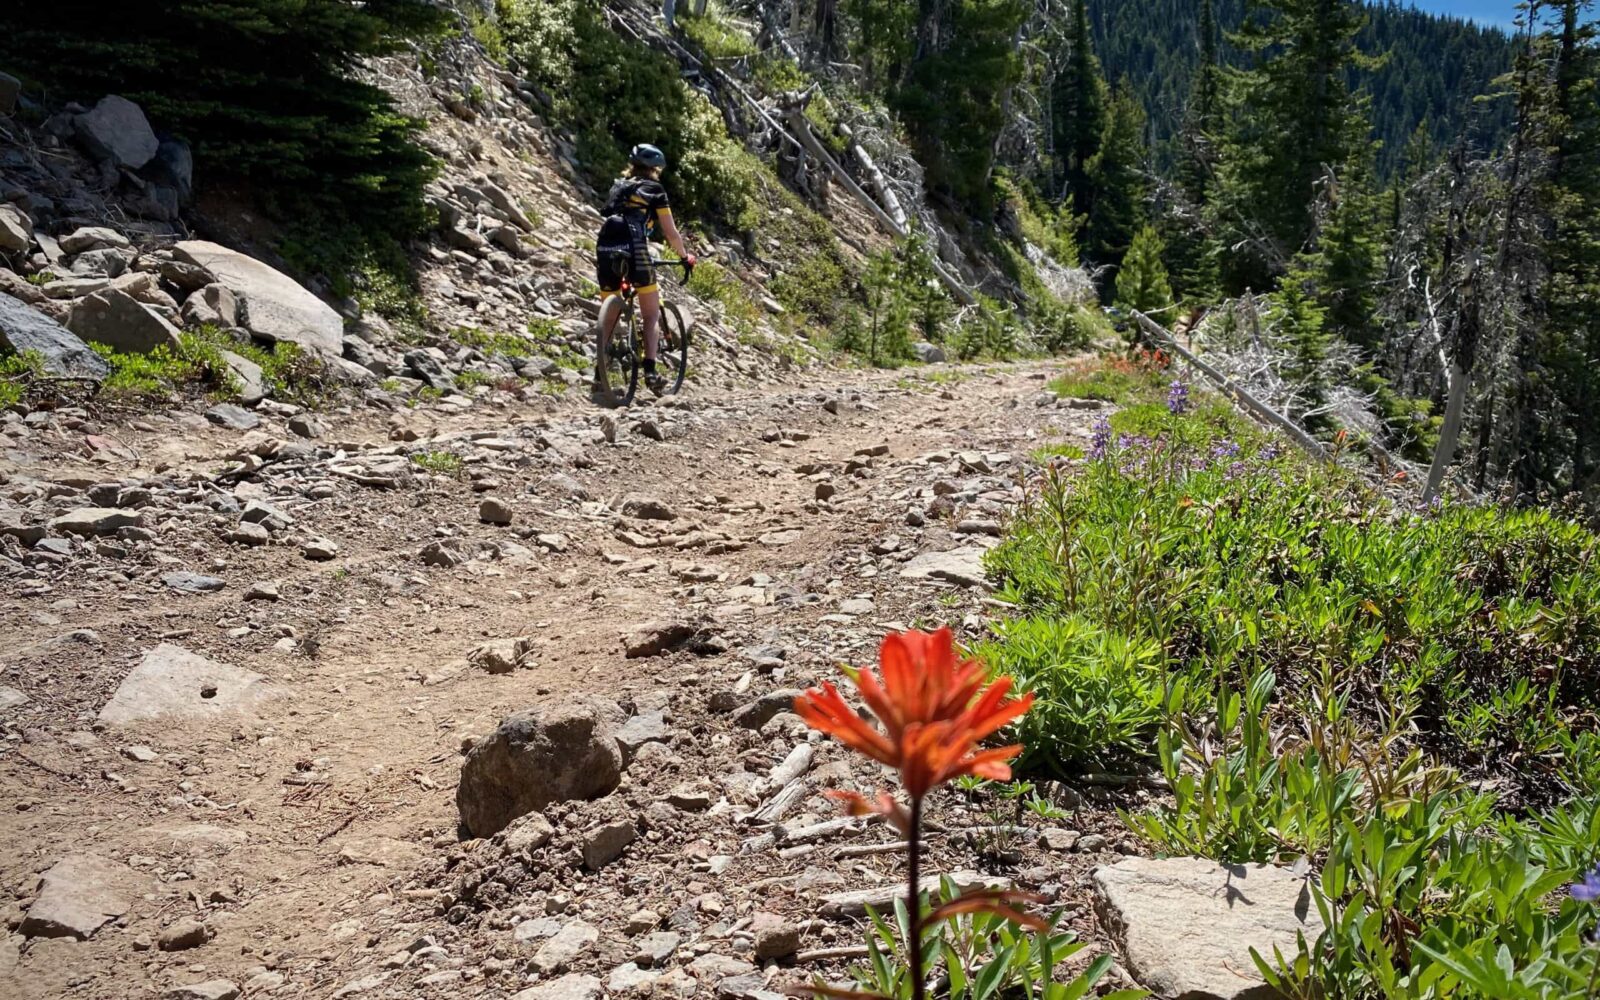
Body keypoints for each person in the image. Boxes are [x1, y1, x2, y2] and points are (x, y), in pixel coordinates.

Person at [593, 143, 696, 397]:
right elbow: (670, 232)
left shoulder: (619, 185)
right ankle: (650, 371)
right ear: (655, 169)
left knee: (610, 313)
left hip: (606, 246)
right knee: (650, 314)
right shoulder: (655, 190)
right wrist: (685, 257)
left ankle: (599, 373)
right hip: (635, 247)